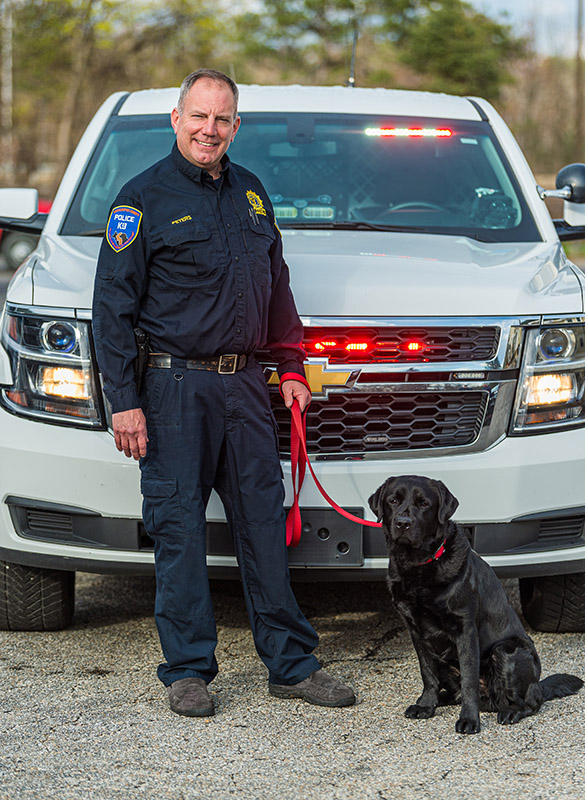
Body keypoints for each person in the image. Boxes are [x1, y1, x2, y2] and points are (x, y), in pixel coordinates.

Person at [92, 68, 356, 717]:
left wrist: (291, 365)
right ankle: (187, 670)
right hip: (172, 390)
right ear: (176, 120)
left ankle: (290, 665)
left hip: (244, 388)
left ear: (235, 126)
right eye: (198, 116)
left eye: (222, 118)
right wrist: (123, 400)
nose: (209, 129)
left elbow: (278, 286)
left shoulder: (253, 195)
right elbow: (111, 309)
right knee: (179, 528)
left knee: (263, 527)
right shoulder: (139, 199)